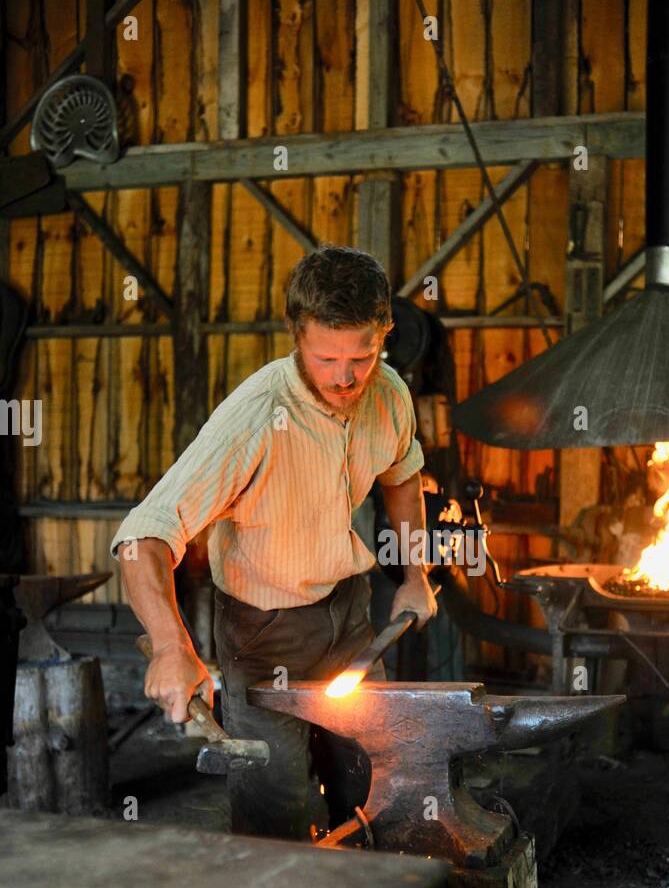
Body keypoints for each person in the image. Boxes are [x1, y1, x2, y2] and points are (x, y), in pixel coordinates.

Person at [110, 245, 437, 839]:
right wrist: (169, 645)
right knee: (278, 807)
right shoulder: (258, 417)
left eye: (361, 356)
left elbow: (403, 476)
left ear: (384, 334)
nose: (345, 377)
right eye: (327, 357)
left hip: (352, 614)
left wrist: (415, 575)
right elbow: (143, 537)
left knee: (374, 783)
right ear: (297, 337)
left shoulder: (388, 393)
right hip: (264, 635)